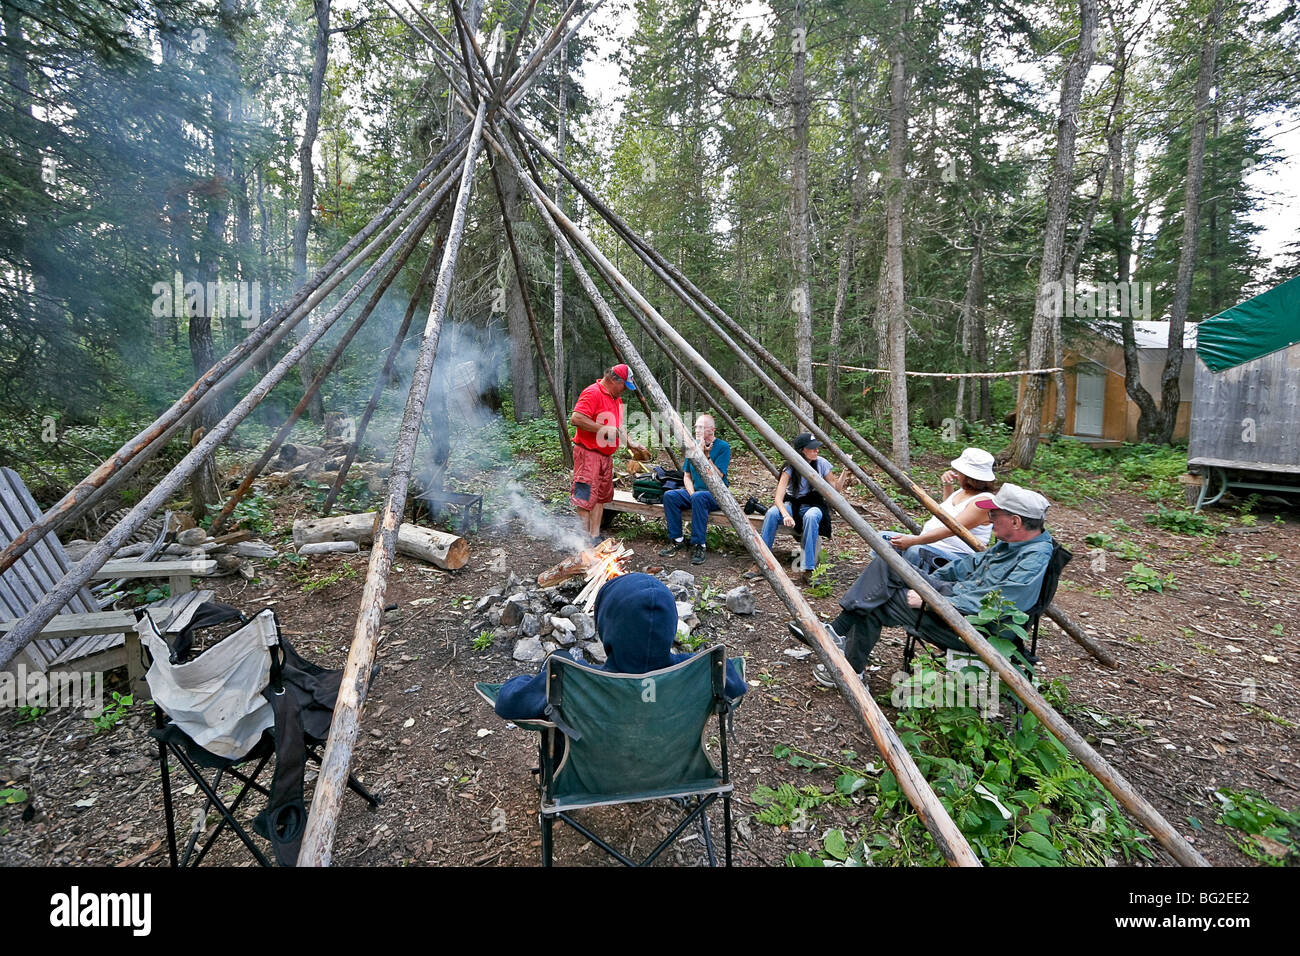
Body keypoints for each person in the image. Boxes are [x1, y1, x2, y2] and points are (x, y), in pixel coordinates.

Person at [789, 483, 1054, 687]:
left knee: (877, 600)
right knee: (888, 563)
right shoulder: (1012, 544)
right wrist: (927, 579)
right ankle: (841, 644)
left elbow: (1000, 606)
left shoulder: (1034, 558)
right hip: (955, 600)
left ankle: (845, 656)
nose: (990, 517)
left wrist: (933, 601)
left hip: (973, 627)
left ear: (1016, 522)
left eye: (995, 513)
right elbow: (964, 567)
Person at [494, 572, 747, 722]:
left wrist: (549, 666)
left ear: (608, 626)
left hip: (594, 777)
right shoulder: (697, 670)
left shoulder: (578, 678)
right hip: (670, 770)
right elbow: (735, 683)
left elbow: (508, 702)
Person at [881, 447, 997, 574]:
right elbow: (947, 514)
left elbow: (952, 528)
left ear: (968, 476)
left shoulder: (983, 503)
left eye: (959, 472)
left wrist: (914, 541)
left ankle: (907, 584)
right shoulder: (963, 491)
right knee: (882, 538)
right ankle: (886, 579)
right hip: (932, 545)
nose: (956, 473)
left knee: (915, 550)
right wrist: (948, 486)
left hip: (957, 555)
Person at [569, 364, 648, 542]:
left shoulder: (615, 399)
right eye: (623, 386)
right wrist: (603, 429)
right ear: (613, 380)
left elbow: (618, 427)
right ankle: (582, 540)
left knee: (601, 497)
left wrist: (632, 444)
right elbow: (576, 418)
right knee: (585, 496)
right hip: (588, 453)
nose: (624, 391)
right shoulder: (593, 392)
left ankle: (594, 536)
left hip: (605, 456)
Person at [758, 433, 851, 584]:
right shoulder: (790, 467)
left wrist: (846, 471)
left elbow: (836, 489)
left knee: (812, 516)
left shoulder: (822, 463)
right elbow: (778, 499)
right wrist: (786, 515)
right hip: (792, 504)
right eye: (812, 449)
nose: (816, 451)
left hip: (813, 504)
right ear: (802, 450)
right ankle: (762, 560)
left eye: (817, 449)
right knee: (772, 513)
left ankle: (808, 569)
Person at [659, 414, 730, 566]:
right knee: (670, 496)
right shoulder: (692, 446)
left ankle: (699, 545)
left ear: (712, 430)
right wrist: (691, 493)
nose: (697, 430)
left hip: (716, 495)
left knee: (699, 498)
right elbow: (687, 476)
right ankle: (677, 540)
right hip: (696, 493)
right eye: (696, 426)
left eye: (701, 427)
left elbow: (718, 476)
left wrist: (706, 455)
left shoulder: (723, 447)